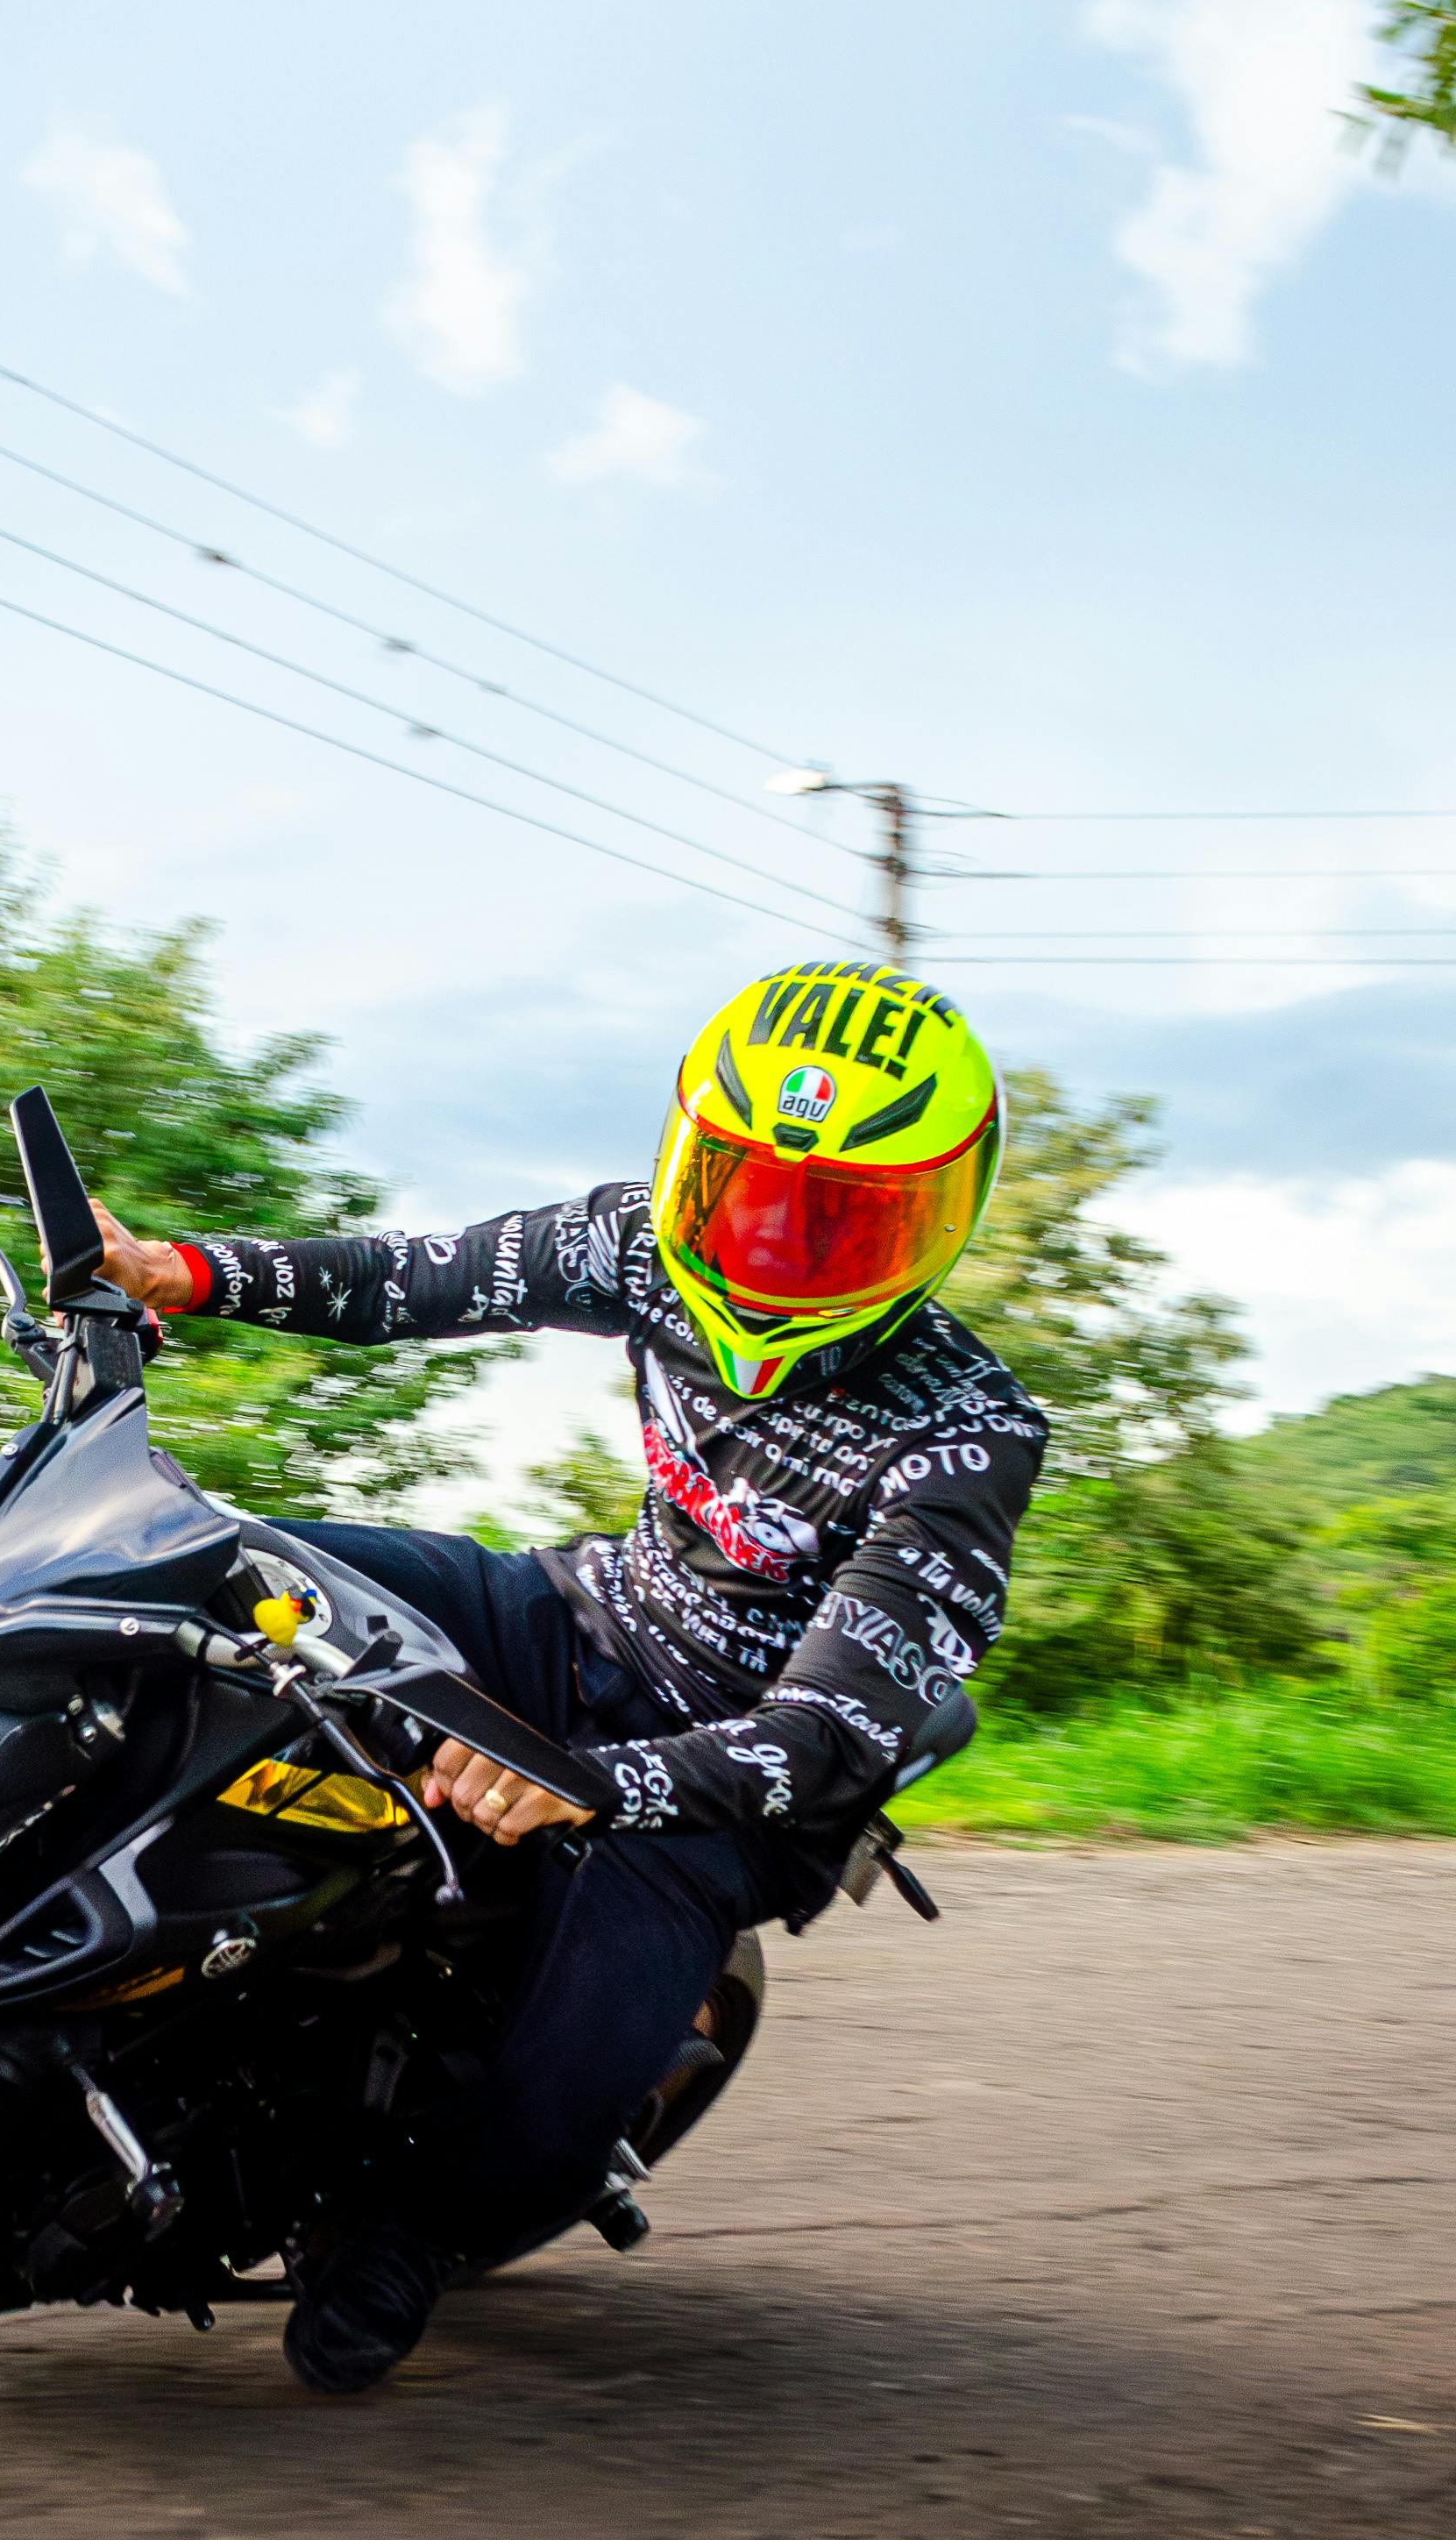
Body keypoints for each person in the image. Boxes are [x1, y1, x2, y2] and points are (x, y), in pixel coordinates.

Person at [87, 954, 1048, 2395]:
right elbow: (412, 1278)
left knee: (573, 2059)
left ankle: (419, 2230)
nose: (776, 1246)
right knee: (198, 1560)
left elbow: (827, 1736)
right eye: (746, 1187)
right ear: (687, 1157)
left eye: (845, 1218)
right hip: (578, 1617)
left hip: (726, 1777)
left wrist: (588, 1786)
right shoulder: (642, 1246)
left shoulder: (967, 1433)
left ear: (941, 1218)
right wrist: (189, 1272)